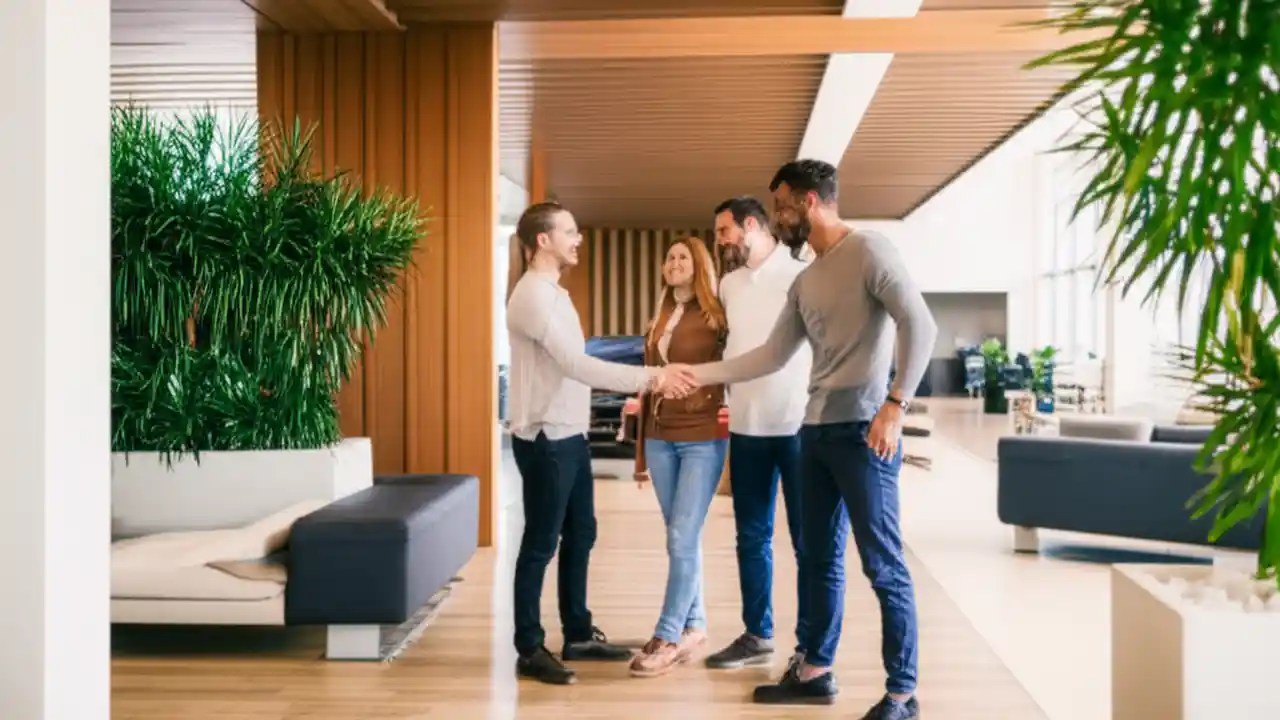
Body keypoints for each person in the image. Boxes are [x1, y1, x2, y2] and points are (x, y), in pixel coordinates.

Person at [684, 160, 937, 720]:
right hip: (814, 429)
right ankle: (815, 671)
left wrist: (895, 405)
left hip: (863, 432)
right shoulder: (806, 278)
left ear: (809, 202)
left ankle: (902, 694)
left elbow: (920, 324)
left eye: (781, 207)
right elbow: (771, 356)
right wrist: (694, 373)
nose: (777, 219)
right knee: (818, 558)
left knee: (883, 564)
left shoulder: (871, 251)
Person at [505, 201, 694, 685]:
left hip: (569, 434)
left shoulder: (555, 293)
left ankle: (578, 632)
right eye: (569, 231)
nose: (578, 238)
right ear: (542, 239)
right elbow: (579, 365)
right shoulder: (531, 296)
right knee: (540, 544)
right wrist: (653, 377)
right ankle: (529, 648)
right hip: (545, 436)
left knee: (582, 533)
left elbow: (575, 364)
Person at [703, 196, 821, 672]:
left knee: (805, 541)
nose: (721, 241)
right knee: (751, 538)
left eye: (724, 231)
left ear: (752, 225)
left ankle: (811, 644)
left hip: (796, 425)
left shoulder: (801, 274)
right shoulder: (730, 285)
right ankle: (758, 634)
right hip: (747, 428)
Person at [627, 236, 729, 678]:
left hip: (702, 435)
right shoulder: (661, 315)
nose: (673, 263)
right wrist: (640, 449)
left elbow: (735, 366)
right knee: (680, 535)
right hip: (660, 435)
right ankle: (695, 624)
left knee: (681, 536)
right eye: (669, 258)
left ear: (699, 264)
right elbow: (650, 381)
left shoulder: (718, 316)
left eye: (682, 257)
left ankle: (667, 635)